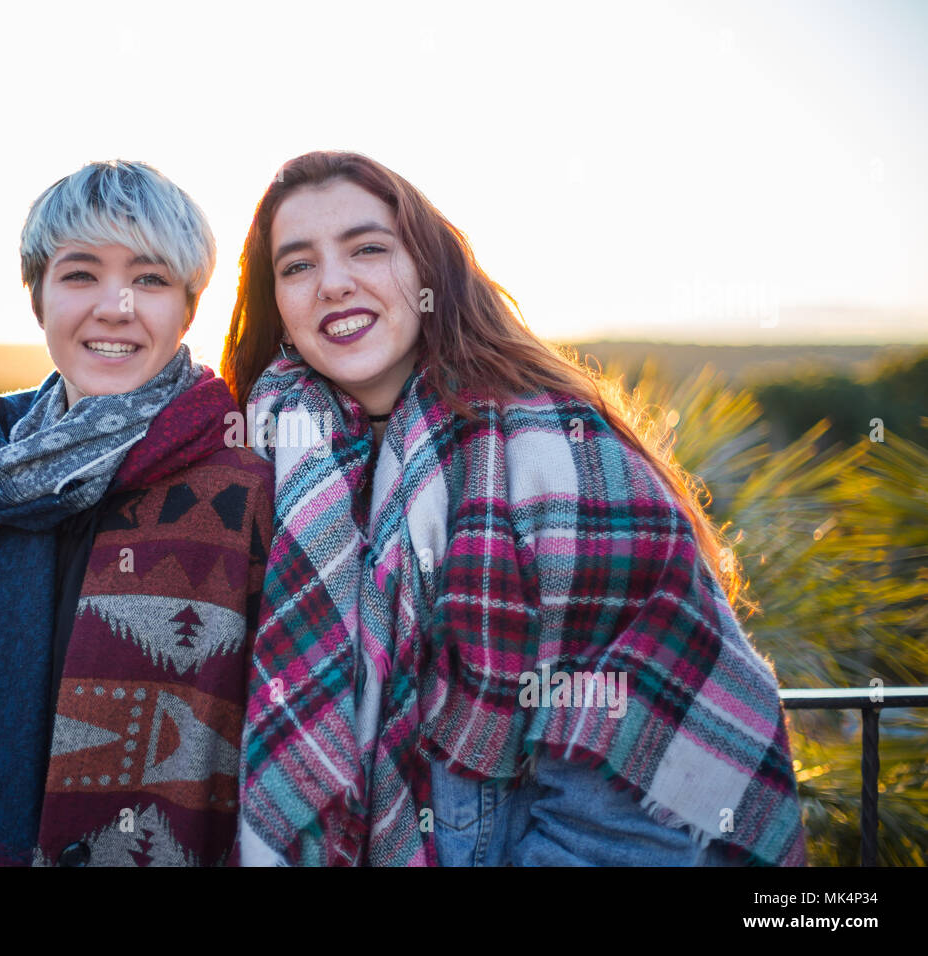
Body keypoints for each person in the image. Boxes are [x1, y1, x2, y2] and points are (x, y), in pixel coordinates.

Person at [222, 150, 806, 867]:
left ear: (429, 268)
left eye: (368, 248)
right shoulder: (260, 464)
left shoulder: (562, 458)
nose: (334, 284)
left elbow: (621, 826)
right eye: (297, 265)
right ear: (275, 302)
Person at [0, 160, 273, 867]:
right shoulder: (6, 481)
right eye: (80, 274)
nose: (117, 306)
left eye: (150, 279)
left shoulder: (244, 491)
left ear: (189, 307)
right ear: (38, 298)